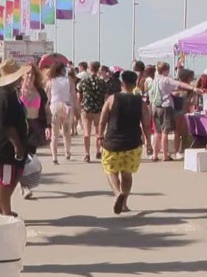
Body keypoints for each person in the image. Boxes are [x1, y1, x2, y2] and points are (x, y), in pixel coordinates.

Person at [0, 59, 30, 218]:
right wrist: (17, 146)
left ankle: (4, 207)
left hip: (6, 145)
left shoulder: (9, 93)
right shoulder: (3, 96)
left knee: (10, 177)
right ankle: (5, 211)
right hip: (5, 147)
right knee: (6, 179)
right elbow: (7, 125)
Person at [99, 70, 152, 215]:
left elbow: (103, 120)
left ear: (122, 83)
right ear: (135, 84)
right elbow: (146, 124)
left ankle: (117, 194)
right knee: (127, 174)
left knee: (110, 170)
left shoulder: (111, 99)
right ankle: (125, 203)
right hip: (133, 143)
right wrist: (149, 143)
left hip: (112, 142)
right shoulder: (140, 102)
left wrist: (99, 136)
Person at [147, 62, 198, 162]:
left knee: (157, 131)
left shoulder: (154, 81)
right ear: (165, 70)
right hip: (166, 107)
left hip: (155, 106)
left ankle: (155, 154)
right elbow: (180, 84)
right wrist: (193, 88)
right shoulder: (166, 80)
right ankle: (165, 155)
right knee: (165, 131)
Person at [18, 67, 49, 200]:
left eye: (32, 73)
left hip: (35, 126)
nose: (30, 75)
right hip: (21, 126)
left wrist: (48, 126)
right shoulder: (17, 91)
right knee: (22, 156)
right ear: (22, 76)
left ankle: (26, 183)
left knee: (31, 155)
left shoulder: (40, 91)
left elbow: (46, 110)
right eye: (27, 73)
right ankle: (24, 186)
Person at [77, 61, 108, 162]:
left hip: (86, 109)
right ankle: (98, 151)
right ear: (98, 69)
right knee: (98, 132)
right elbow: (106, 97)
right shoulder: (102, 82)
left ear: (90, 68)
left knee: (87, 133)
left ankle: (87, 154)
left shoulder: (84, 81)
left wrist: (80, 104)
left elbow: (79, 95)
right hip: (99, 110)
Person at [47, 62, 74, 164]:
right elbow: (73, 96)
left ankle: (55, 157)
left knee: (55, 134)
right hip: (66, 106)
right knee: (66, 132)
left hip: (54, 106)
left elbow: (48, 97)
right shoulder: (69, 80)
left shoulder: (51, 81)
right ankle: (67, 152)